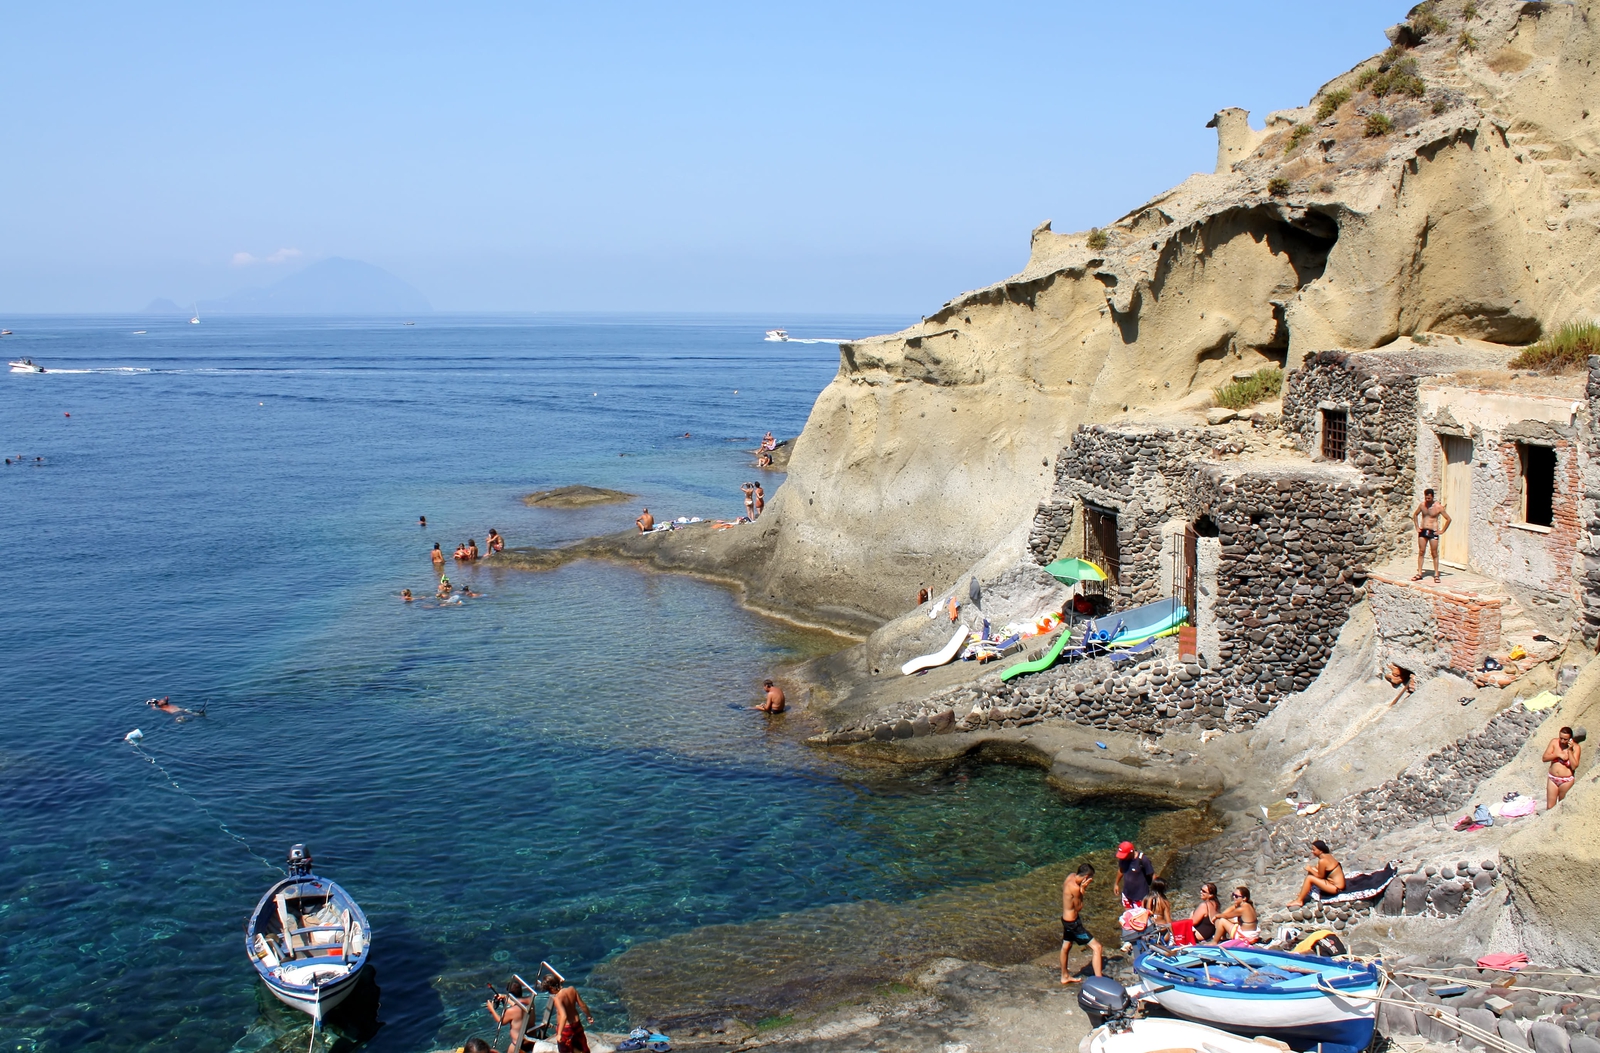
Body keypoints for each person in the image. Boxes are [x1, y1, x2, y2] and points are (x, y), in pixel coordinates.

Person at [1060, 863, 1103, 984]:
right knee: (1097, 947)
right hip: (1074, 923)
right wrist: (1083, 889)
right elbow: (1079, 907)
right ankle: (1099, 981)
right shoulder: (1075, 888)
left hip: (1066, 920)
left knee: (1066, 947)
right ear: (1086, 878)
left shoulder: (1070, 876)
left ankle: (1064, 976)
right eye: (1090, 879)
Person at [540, 973, 595, 1053]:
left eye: (548, 990)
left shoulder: (557, 998)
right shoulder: (572, 989)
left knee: (566, 1050)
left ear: (551, 988)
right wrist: (589, 1016)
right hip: (577, 1024)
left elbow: (563, 1016)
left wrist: (559, 1034)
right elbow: (582, 1005)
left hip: (566, 1029)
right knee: (582, 1048)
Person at [1286, 840, 1346, 907]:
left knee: (1309, 878)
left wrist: (1310, 869)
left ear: (1320, 851)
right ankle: (1304, 892)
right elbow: (1319, 869)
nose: (1312, 851)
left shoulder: (1323, 861)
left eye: (1314, 850)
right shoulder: (1327, 855)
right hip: (1335, 884)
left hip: (1336, 888)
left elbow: (1320, 876)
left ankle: (1299, 901)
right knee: (1313, 870)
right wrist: (1312, 869)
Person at [1412, 488, 1452, 581]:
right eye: (1426, 498)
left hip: (1433, 531)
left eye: (1429, 498)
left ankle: (1436, 574)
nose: (1427, 500)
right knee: (1421, 551)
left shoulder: (1438, 507)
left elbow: (1448, 519)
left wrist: (1442, 531)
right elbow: (1415, 515)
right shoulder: (1422, 505)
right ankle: (1419, 573)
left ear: (1432, 497)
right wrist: (1417, 527)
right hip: (1423, 531)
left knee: (1434, 553)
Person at [483, 978, 531, 1053]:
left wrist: (491, 1009)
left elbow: (500, 1021)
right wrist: (506, 997)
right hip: (530, 1038)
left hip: (517, 1044)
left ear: (510, 994)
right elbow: (518, 1005)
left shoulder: (511, 1011)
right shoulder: (530, 1001)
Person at [1544, 726, 1582, 808]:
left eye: (1565, 739)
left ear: (1570, 739)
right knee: (1550, 807)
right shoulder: (1554, 742)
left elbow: (1574, 766)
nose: (1562, 741)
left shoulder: (1576, 748)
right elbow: (1545, 758)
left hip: (1566, 781)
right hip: (1552, 778)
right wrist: (1557, 755)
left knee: (1561, 806)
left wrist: (1570, 751)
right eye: (1561, 738)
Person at [1115, 841, 1155, 908]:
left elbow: (1152, 875)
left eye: (1125, 855)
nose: (1123, 858)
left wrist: (1156, 892)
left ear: (1131, 852)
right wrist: (1116, 884)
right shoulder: (1123, 859)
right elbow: (1121, 870)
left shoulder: (1143, 860)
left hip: (1140, 896)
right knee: (1128, 914)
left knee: (1140, 916)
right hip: (1127, 894)